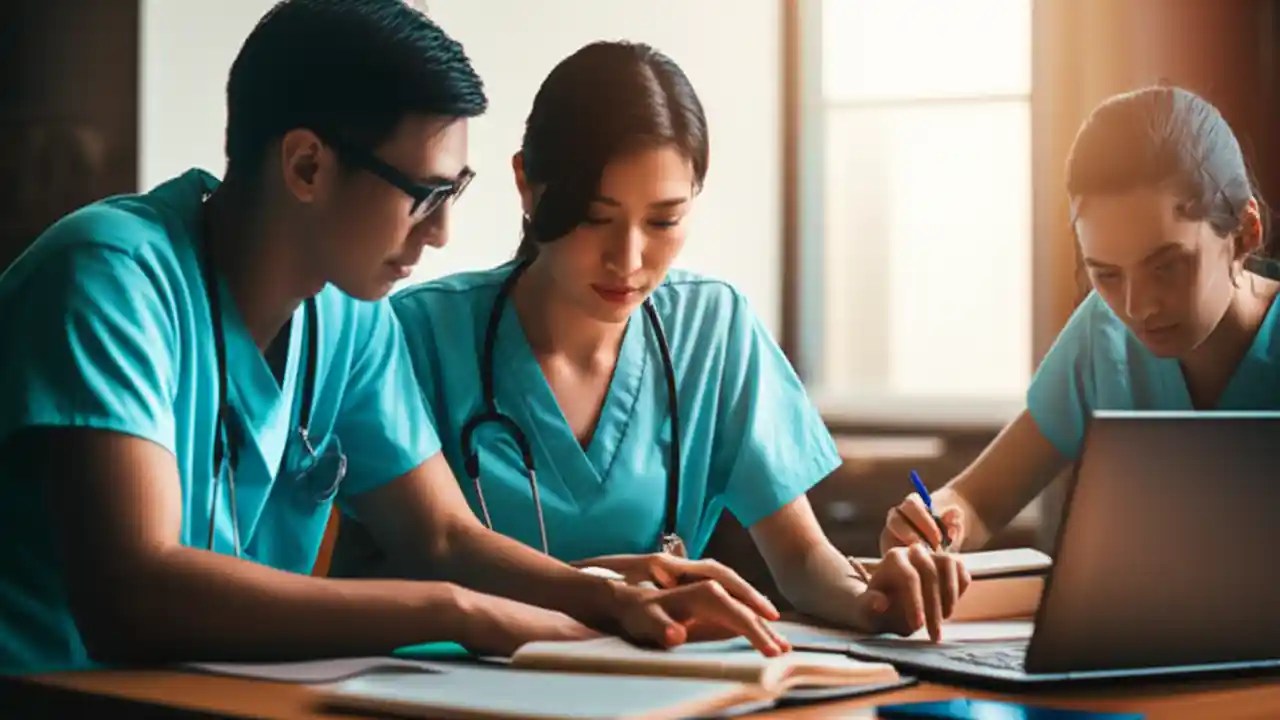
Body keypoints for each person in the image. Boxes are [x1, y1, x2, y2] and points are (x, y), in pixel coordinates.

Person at [0, 1, 787, 675]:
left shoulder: (350, 319)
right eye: (424, 195)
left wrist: (604, 597)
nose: (443, 234)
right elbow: (134, 596)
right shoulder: (108, 277)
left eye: (458, 192)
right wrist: (457, 613)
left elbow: (443, 534)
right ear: (307, 166)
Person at [334, 41, 970, 642]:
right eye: (595, 217)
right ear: (527, 184)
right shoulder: (415, 337)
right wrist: (602, 592)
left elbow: (803, 559)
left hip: (649, 690)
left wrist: (877, 602)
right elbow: (415, 552)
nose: (629, 258)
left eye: (664, 220)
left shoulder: (712, 328)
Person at [881, 86, 1279, 553]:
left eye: (1167, 265)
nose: (1136, 307)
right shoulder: (1102, 334)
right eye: (1106, 274)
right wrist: (929, 532)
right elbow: (977, 501)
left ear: (1244, 233)